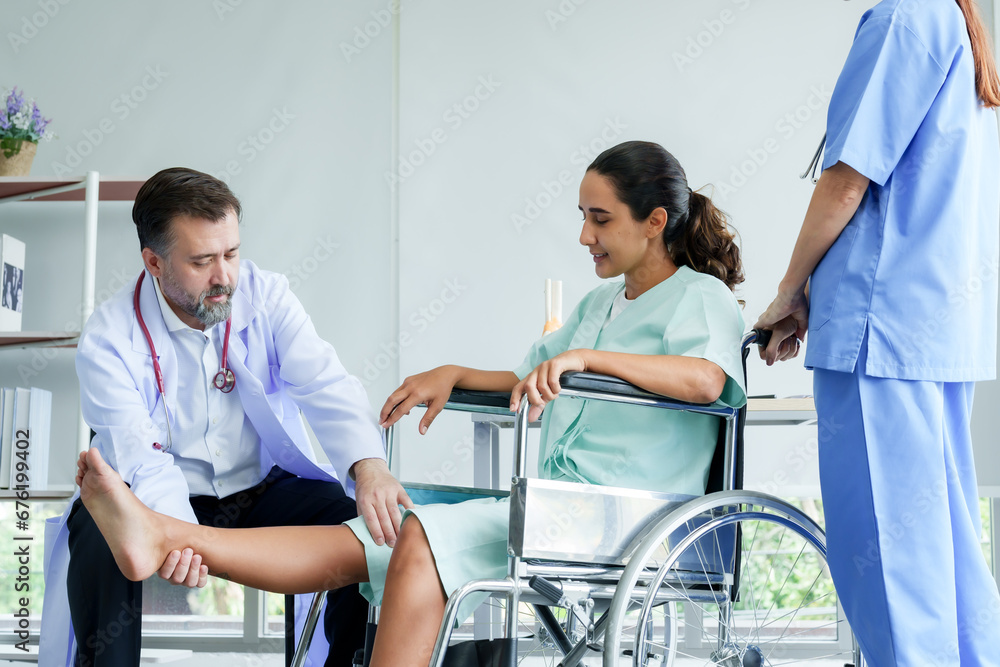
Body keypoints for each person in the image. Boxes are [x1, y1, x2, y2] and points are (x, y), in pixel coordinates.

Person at [76, 141, 748, 667]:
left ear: (655, 222)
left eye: (598, 218)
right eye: (583, 217)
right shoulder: (601, 304)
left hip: (620, 512)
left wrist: (368, 463)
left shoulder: (700, 298)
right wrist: (454, 374)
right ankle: (165, 529)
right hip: (558, 502)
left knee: (404, 524)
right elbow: (527, 380)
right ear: (154, 263)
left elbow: (707, 382)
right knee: (392, 526)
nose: (583, 235)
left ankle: (168, 536)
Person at [48, 168, 411, 667]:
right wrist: (174, 532)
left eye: (231, 254)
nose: (224, 277)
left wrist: (369, 467)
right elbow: (139, 454)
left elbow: (323, 383)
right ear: (154, 261)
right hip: (150, 495)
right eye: (202, 261)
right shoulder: (108, 339)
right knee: (97, 535)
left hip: (259, 488)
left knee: (365, 529)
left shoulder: (267, 296)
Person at [755, 1, 1000, 665]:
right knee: (947, 568)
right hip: (936, 329)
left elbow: (846, 180)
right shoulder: (957, 25)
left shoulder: (903, 19)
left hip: (881, 327)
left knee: (894, 573)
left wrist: (789, 289)